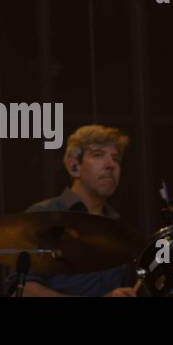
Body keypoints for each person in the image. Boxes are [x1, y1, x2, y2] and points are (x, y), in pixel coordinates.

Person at [10, 124, 139, 297]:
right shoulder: (44, 215)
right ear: (74, 167)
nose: (111, 165)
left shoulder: (119, 227)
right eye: (98, 155)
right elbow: (23, 289)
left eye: (116, 159)